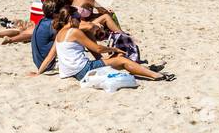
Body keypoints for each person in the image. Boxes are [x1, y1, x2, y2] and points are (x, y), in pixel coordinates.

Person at [33, 7, 172, 81]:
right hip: (82, 70)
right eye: (78, 18)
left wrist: (38, 72)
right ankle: (156, 76)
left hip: (70, 72)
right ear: (71, 18)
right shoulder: (74, 32)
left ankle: (147, 70)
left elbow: (50, 57)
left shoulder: (59, 35)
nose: (80, 20)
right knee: (121, 60)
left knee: (114, 61)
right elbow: (98, 48)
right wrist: (114, 48)